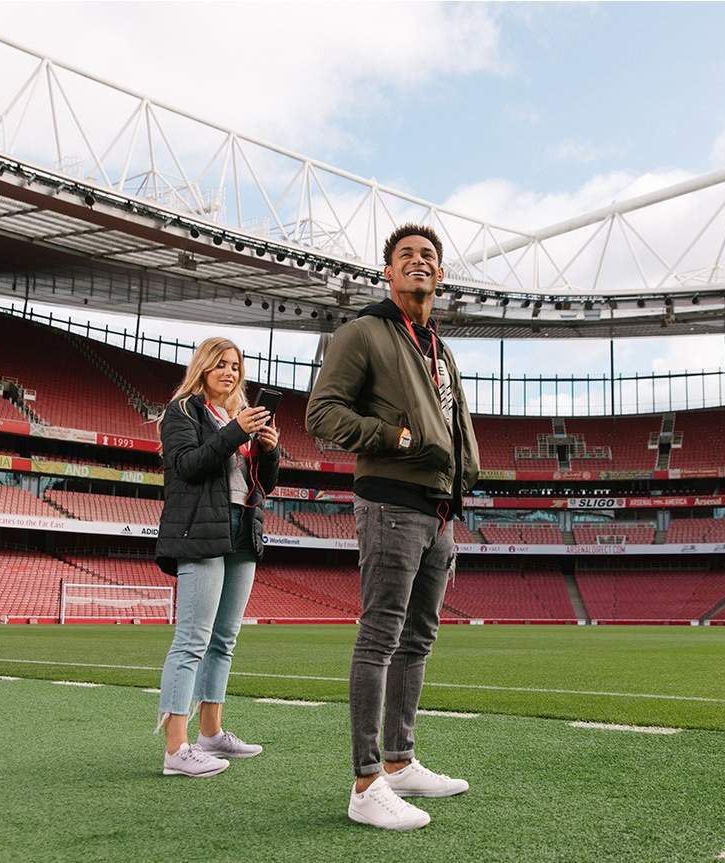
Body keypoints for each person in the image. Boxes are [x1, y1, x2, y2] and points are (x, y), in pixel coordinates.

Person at [306, 224, 481, 830]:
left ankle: (402, 761)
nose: (418, 262)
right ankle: (365, 782)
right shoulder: (363, 332)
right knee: (380, 635)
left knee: (418, 639)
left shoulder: (440, 346)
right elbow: (322, 411)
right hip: (390, 503)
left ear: (440, 275)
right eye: (405, 255)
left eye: (428, 256)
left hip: (438, 508)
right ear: (387, 272)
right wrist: (395, 437)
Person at [152, 336, 281, 777]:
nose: (230, 371)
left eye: (235, 365)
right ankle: (176, 748)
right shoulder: (182, 411)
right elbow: (187, 466)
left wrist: (268, 449)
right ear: (203, 368)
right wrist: (235, 432)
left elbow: (265, 483)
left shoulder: (236, 417)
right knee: (192, 639)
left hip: (243, 528)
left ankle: (211, 733)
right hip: (202, 530)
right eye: (221, 364)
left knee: (224, 640)